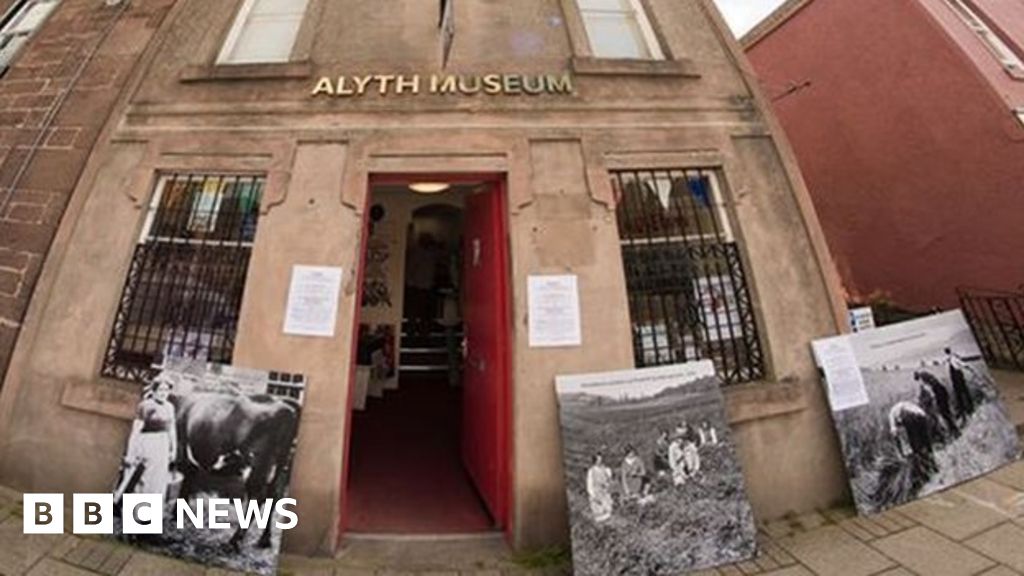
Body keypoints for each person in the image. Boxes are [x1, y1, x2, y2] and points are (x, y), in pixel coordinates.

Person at [115, 373, 179, 505]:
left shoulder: (170, 407)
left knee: (158, 479)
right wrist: (131, 453)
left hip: (163, 444)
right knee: (141, 476)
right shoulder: (145, 405)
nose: (163, 393)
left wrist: (173, 449)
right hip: (146, 443)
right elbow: (136, 430)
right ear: (154, 390)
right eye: (160, 389)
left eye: (166, 390)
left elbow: (172, 429)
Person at [888, 401, 937, 476]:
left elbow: (896, 436)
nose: (901, 426)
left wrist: (901, 453)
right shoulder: (901, 408)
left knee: (916, 446)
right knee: (926, 442)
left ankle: (926, 469)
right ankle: (933, 466)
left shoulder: (892, 416)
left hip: (911, 415)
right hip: (922, 414)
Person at [914, 371, 958, 439]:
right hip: (942, 392)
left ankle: (952, 431)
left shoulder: (922, 381)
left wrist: (920, 400)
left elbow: (929, 392)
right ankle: (953, 429)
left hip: (939, 395)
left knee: (943, 414)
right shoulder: (928, 376)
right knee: (946, 412)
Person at [945, 348, 975, 422]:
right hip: (955, 378)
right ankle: (964, 410)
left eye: (947, 350)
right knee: (960, 394)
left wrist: (969, 368)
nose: (947, 352)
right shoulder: (948, 359)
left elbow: (962, 364)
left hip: (958, 377)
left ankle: (970, 409)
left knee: (963, 392)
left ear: (948, 351)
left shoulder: (953, 357)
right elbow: (962, 364)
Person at [586, 452, 614, 522]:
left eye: (601, 460)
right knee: (598, 507)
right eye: (598, 460)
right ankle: (600, 518)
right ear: (594, 461)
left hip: (605, 491)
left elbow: (609, 479)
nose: (599, 462)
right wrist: (592, 494)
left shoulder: (606, 469)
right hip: (596, 491)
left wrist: (608, 484)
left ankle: (607, 515)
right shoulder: (591, 471)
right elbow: (589, 483)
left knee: (607, 506)